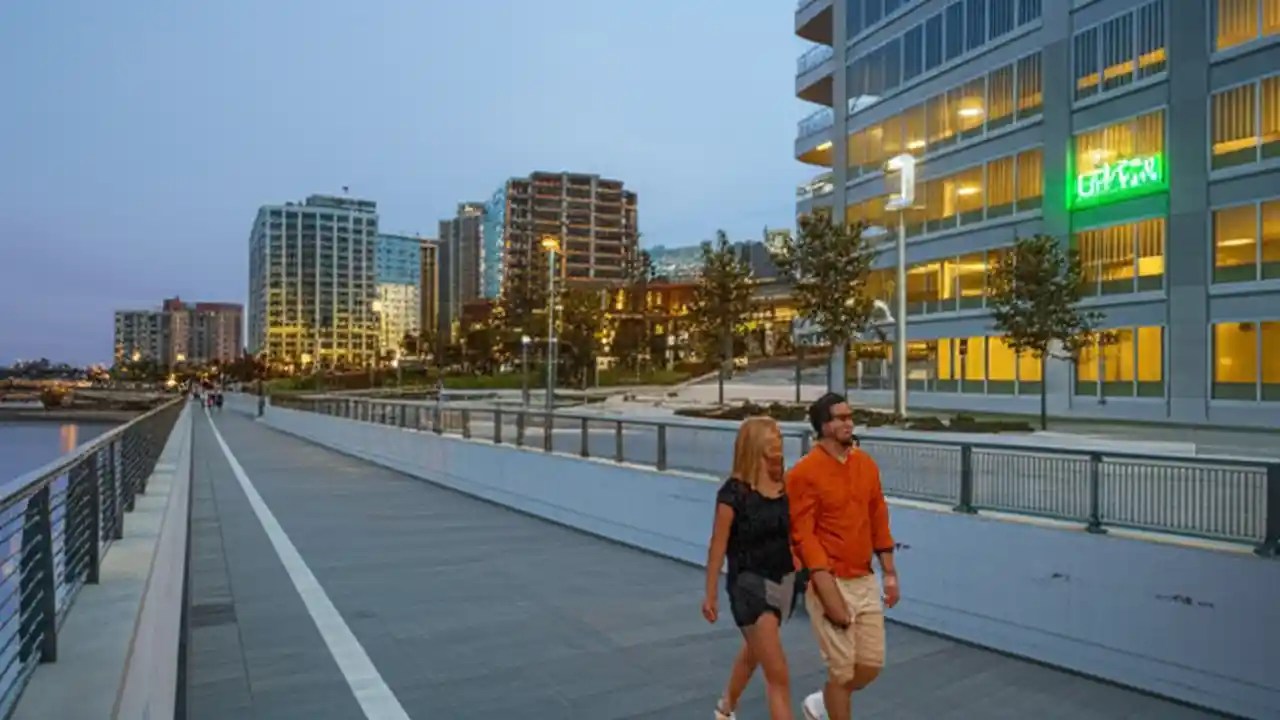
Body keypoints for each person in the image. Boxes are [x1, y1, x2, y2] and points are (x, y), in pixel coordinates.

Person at [788, 393, 899, 720]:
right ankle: (832, 706)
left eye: (850, 416)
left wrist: (889, 573)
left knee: (870, 665)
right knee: (841, 671)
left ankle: (821, 703)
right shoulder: (803, 474)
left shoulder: (865, 464)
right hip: (829, 582)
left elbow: (878, 517)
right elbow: (802, 535)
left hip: (865, 578)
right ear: (822, 425)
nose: (848, 422)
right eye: (839, 417)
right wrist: (823, 586)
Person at [702, 417, 798, 720]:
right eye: (773, 439)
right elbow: (718, 545)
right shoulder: (733, 494)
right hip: (748, 586)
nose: (780, 444)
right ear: (755, 445)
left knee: (755, 653)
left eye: (780, 438)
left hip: (782, 582)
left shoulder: (786, 485)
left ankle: (726, 706)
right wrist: (711, 594)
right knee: (778, 673)